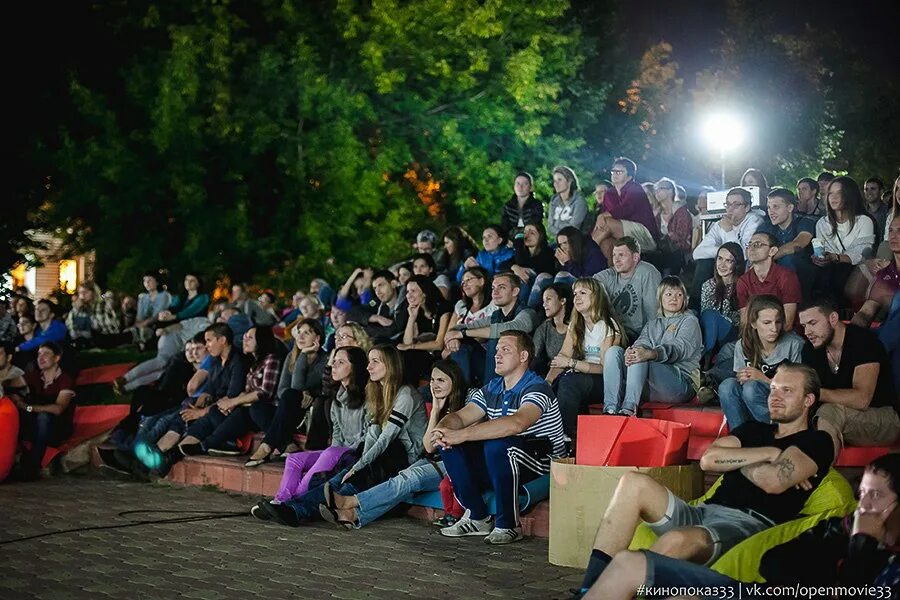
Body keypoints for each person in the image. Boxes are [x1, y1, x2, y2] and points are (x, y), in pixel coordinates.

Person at [572, 363, 834, 598]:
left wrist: (739, 460)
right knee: (633, 482)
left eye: (787, 391)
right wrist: (770, 453)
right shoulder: (754, 429)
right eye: (773, 389)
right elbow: (708, 459)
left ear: (808, 400)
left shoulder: (816, 441)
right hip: (703, 512)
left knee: (677, 540)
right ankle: (590, 589)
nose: (775, 397)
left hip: (746, 523)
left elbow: (773, 481)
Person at [256, 345, 427, 526]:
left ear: (391, 365)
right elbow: (373, 435)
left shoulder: (405, 395)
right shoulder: (377, 392)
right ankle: (293, 509)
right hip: (382, 457)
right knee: (345, 475)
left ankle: (298, 509)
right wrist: (359, 463)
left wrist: (359, 465)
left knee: (363, 468)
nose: (369, 367)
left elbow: (386, 439)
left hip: (404, 457)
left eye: (375, 362)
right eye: (369, 361)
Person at [434, 330, 566, 544]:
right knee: (450, 445)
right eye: (496, 350)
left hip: (540, 463)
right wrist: (443, 430)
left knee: (498, 445)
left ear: (523, 356)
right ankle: (478, 517)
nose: (497, 355)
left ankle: (509, 525)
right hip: (503, 461)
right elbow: (460, 417)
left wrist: (462, 434)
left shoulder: (537, 387)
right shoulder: (492, 388)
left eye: (505, 350)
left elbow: (518, 423)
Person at [318, 360, 468, 530]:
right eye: (432, 380)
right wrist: (435, 411)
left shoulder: (467, 401)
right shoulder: (440, 405)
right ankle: (351, 516)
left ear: (454, 381)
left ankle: (350, 501)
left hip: (456, 463)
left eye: (441, 380)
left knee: (411, 477)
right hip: (433, 461)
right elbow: (429, 447)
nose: (434, 385)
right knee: (401, 480)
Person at [250, 346, 369, 513]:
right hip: (338, 453)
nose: (334, 366)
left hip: (357, 454)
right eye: (334, 361)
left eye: (341, 362)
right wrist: (335, 452)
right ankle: (280, 501)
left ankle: (292, 502)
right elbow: (337, 433)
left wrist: (337, 452)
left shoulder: (368, 397)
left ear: (355, 367)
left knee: (330, 453)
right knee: (294, 458)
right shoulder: (336, 398)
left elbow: (369, 436)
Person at [760, 453, 900, 591]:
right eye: (862, 493)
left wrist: (862, 546)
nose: (863, 504)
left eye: (876, 495)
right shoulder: (847, 526)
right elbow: (772, 562)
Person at [799, 297, 899, 456]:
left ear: (833, 318)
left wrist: (815, 393)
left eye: (812, 323)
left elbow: (862, 399)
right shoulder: (810, 349)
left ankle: (823, 478)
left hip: (883, 418)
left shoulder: (864, 341)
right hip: (838, 418)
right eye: (804, 326)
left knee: (828, 411)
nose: (807, 332)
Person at [175, 326, 282, 456]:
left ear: (261, 340)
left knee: (239, 411)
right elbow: (245, 391)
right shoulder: (254, 362)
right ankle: (221, 444)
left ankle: (208, 445)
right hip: (247, 407)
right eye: (244, 338)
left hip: (266, 410)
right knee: (214, 410)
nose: (245, 341)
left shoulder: (270, 359)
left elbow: (265, 392)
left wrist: (233, 401)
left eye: (250, 338)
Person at [602, 277, 701, 415]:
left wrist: (651, 354)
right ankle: (610, 408)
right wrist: (630, 352)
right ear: (660, 298)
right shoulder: (652, 324)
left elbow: (679, 349)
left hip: (680, 382)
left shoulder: (690, 321)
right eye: (669, 294)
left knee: (641, 356)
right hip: (650, 385)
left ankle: (629, 409)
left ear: (685, 299)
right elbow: (642, 343)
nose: (674, 298)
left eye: (679, 295)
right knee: (614, 352)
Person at [547, 278, 625, 437]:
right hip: (583, 377)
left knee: (570, 382)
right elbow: (562, 356)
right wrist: (547, 382)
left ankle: (565, 436)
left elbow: (605, 369)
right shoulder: (575, 324)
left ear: (596, 297)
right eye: (575, 293)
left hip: (606, 383)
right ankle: (554, 436)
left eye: (583, 293)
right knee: (555, 384)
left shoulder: (608, 325)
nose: (577, 297)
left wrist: (571, 363)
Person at [245, 318, 327, 462]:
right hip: (287, 408)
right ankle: (287, 444)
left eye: (307, 333)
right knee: (257, 408)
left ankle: (267, 445)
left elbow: (297, 387)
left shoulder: (325, 359)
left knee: (291, 394)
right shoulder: (291, 356)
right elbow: (282, 390)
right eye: (299, 332)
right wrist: (301, 356)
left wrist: (303, 355)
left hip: (306, 412)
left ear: (318, 338)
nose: (300, 337)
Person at [719, 295, 806, 430]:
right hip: (752, 404)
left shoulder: (794, 344)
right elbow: (739, 380)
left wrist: (763, 378)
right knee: (727, 386)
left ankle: (773, 432)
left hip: (782, 404)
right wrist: (742, 377)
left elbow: (798, 390)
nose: (774, 328)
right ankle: (739, 435)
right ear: (754, 324)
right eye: (767, 322)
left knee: (751, 388)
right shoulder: (742, 345)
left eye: (777, 322)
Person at [444, 272, 538, 386]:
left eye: (501, 287)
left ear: (515, 291)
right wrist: (455, 336)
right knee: (462, 346)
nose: (495, 292)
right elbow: (463, 326)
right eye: (493, 288)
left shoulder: (528, 313)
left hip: (520, 369)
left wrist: (462, 333)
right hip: (496, 367)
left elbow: (505, 329)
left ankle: (490, 392)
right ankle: (463, 393)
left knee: (497, 339)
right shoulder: (496, 315)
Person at [691, 187, 765, 310]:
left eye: (736, 205)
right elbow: (697, 253)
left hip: (744, 268)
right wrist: (722, 252)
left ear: (747, 208)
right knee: (704, 263)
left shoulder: (754, 221)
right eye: (728, 205)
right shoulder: (721, 224)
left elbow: (745, 255)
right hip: (725, 268)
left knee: (711, 262)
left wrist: (730, 231)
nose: (730, 209)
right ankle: (694, 311)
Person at [13, 342, 77, 480]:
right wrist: (14, 395)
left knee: (43, 417)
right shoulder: (36, 376)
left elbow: (58, 408)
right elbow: (11, 382)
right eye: (39, 354)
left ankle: (33, 466)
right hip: (36, 424)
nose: (41, 358)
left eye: (46, 354)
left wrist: (29, 407)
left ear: (57, 358)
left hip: (58, 427)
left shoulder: (64, 379)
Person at [812, 176, 877, 302]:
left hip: (857, 269)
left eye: (839, 193)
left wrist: (835, 257)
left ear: (850, 195)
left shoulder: (864, 221)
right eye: (830, 193)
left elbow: (862, 254)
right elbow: (824, 250)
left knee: (841, 269)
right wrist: (820, 257)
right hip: (831, 268)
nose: (834, 197)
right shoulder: (822, 223)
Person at [593, 236, 662, 342]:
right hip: (614, 333)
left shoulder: (647, 273)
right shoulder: (610, 274)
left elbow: (654, 315)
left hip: (638, 336)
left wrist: (646, 344)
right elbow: (587, 285)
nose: (616, 260)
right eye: (614, 255)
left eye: (621, 255)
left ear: (635, 257)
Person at [592, 157, 660, 262]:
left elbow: (624, 210)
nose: (614, 174)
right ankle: (613, 275)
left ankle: (588, 251)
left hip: (646, 235)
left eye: (619, 172)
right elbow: (601, 222)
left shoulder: (635, 188)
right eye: (613, 171)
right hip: (620, 232)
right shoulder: (610, 193)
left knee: (608, 222)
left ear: (629, 176)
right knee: (607, 243)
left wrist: (602, 216)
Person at [736, 231, 803, 329]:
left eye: (758, 244)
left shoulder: (786, 277)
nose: (751, 248)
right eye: (749, 244)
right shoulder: (743, 281)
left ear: (772, 251)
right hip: (757, 334)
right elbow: (745, 322)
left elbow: (788, 323)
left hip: (784, 333)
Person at [761, 187, 817, 300]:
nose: (771, 212)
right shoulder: (767, 226)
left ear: (790, 207)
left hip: (805, 274)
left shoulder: (805, 222)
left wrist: (767, 258)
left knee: (789, 259)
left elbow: (799, 243)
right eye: (769, 207)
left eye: (776, 207)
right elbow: (755, 247)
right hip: (774, 274)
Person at [699, 242, 744, 366]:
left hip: (732, 333)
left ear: (736, 264)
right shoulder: (708, 285)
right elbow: (705, 316)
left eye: (729, 260)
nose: (722, 265)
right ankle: (706, 356)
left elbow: (741, 322)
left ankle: (704, 360)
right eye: (720, 258)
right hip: (710, 332)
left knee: (711, 315)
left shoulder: (743, 285)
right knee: (706, 315)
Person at [442, 267, 496, 362]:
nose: (465, 284)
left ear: (482, 280)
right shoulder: (460, 306)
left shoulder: (494, 305)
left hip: (481, 353)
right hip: (456, 349)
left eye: (468, 280)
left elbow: (482, 337)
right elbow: (449, 332)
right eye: (462, 282)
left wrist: (458, 339)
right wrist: (452, 341)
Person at [646, 177, 693, 274]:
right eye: (656, 189)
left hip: (679, 252)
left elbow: (682, 237)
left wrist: (668, 236)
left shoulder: (680, 211)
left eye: (660, 188)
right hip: (660, 252)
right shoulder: (657, 214)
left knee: (669, 259)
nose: (657, 192)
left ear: (670, 191)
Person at [511, 222, 557, 309]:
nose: (526, 236)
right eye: (524, 232)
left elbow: (541, 269)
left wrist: (520, 267)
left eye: (532, 233)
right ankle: (520, 311)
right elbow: (503, 266)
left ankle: (527, 311)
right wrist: (515, 267)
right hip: (526, 287)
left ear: (540, 236)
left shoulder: (548, 252)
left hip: (543, 287)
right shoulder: (522, 252)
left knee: (526, 273)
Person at [64, 282, 121, 349]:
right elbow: (70, 325)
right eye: (80, 293)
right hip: (88, 341)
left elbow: (110, 294)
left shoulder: (103, 304)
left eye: (85, 292)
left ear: (93, 292)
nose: (82, 295)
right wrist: (76, 309)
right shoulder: (78, 308)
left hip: (109, 337)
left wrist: (102, 296)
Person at [531, 284, 572, 377]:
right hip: (551, 373)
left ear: (562, 300)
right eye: (543, 301)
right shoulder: (545, 327)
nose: (544, 304)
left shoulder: (576, 325)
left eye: (548, 299)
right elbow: (533, 355)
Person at [132, 271, 172, 347]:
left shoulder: (164, 295)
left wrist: (141, 325)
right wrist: (137, 324)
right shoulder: (143, 297)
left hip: (157, 325)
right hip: (142, 325)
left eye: (149, 280)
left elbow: (156, 316)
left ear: (157, 282)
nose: (147, 283)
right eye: (145, 281)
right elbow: (139, 315)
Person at [364, 269, 405, 344]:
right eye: (375, 288)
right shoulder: (376, 302)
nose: (378, 292)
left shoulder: (407, 301)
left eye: (381, 285)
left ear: (393, 284)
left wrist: (366, 331)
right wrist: (377, 318)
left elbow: (397, 328)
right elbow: (356, 312)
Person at [547, 166, 588, 237]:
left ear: (569, 181)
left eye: (559, 180)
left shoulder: (579, 201)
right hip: (557, 240)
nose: (556, 184)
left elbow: (574, 227)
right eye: (554, 181)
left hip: (574, 241)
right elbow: (550, 226)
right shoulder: (554, 201)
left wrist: (559, 231)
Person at [500, 171, 544, 236]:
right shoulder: (508, 205)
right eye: (518, 183)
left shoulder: (537, 204)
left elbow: (533, 226)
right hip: (511, 241)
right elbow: (504, 228)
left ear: (531, 187)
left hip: (533, 239)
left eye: (525, 184)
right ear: (514, 186)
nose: (520, 187)